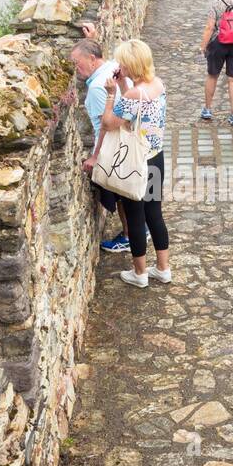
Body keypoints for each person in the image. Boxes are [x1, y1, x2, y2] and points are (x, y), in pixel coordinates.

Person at [100, 39, 171, 288]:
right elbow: (135, 109)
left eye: (122, 62)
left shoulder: (133, 95)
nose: (119, 64)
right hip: (155, 157)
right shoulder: (158, 85)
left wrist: (111, 95)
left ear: (131, 64)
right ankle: (163, 269)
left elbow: (109, 123)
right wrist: (122, 83)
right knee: (154, 214)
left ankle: (139, 273)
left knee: (135, 216)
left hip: (135, 162)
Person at [72, 38, 132, 253]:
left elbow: (104, 127)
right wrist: (94, 36)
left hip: (114, 145)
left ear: (92, 59)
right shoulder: (114, 66)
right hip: (129, 139)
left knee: (121, 193)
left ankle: (129, 235)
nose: (76, 69)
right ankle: (136, 230)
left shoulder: (98, 87)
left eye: (77, 63)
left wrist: (95, 157)